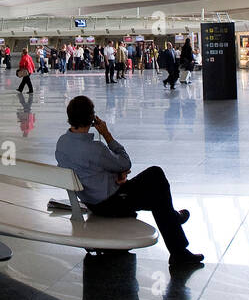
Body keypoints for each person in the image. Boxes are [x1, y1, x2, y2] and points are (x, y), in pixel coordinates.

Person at [55, 95, 203, 267]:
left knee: (157, 195)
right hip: (111, 203)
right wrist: (107, 135)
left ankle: (174, 224)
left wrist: (115, 175)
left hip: (91, 200)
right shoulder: (96, 149)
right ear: (92, 119)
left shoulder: (62, 143)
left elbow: (90, 171)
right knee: (156, 176)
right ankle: (177, 246)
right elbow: (125, 162)